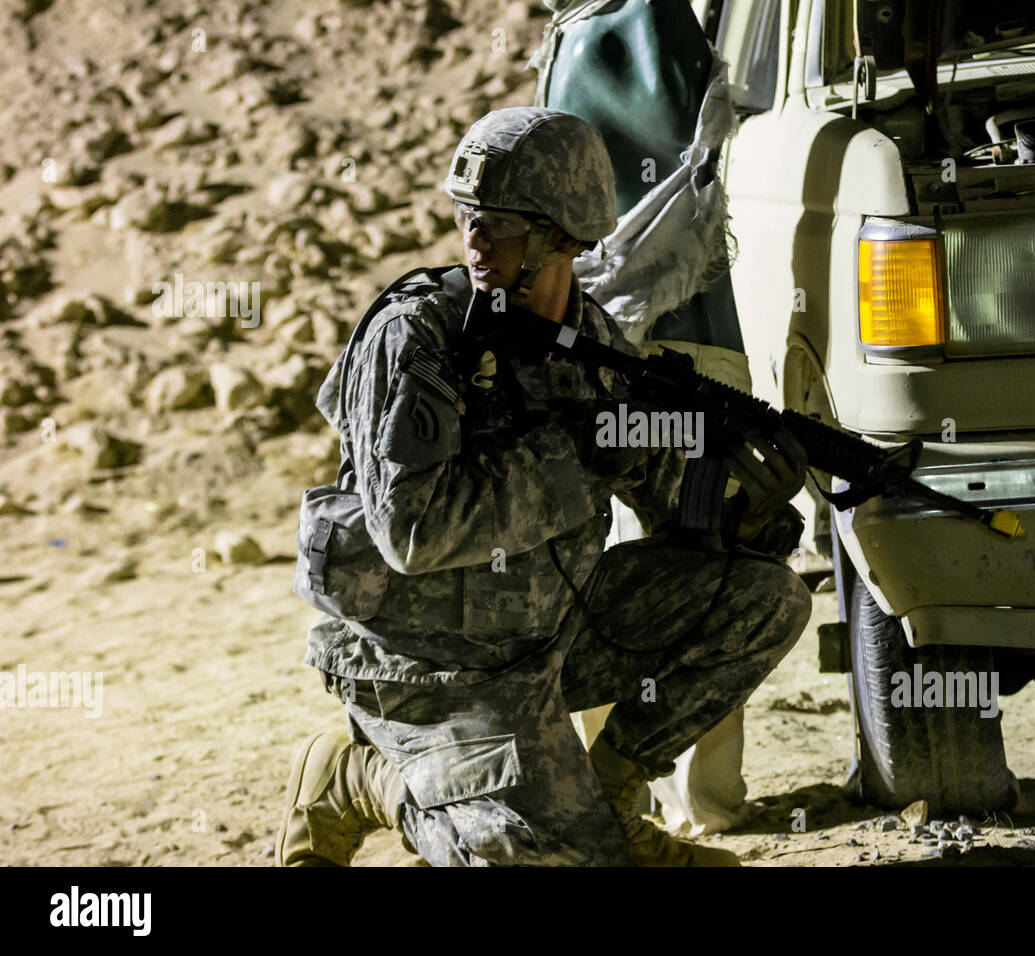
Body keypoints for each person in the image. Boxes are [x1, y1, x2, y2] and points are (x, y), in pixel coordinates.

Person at [274, 107, 812, 867]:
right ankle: (358, 776)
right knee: (523, 858)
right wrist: (577, 455)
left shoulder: (590, 342)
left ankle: (608, 800)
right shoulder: (419, 338)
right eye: (467, 217)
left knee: (763, 598)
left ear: (564, 235)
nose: (474, 239)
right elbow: (412, 533)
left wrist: (739, 511)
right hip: (426, 666)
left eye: (499, 223)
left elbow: (659, 493)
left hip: (544, 639)